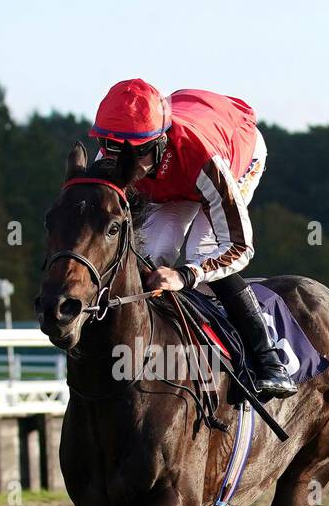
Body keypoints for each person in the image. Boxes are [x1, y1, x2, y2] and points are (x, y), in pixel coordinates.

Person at [87, 79, 295, 398]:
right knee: (152, 256)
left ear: (160, 141)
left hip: (233, 155)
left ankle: (269, 361)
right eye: (113, 149)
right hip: (175, 177)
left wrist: (185, 275)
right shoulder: (111, 153)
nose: (124, 164)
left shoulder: (203, 159)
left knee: (203, 249)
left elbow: (239, 247)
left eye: (136, 153)